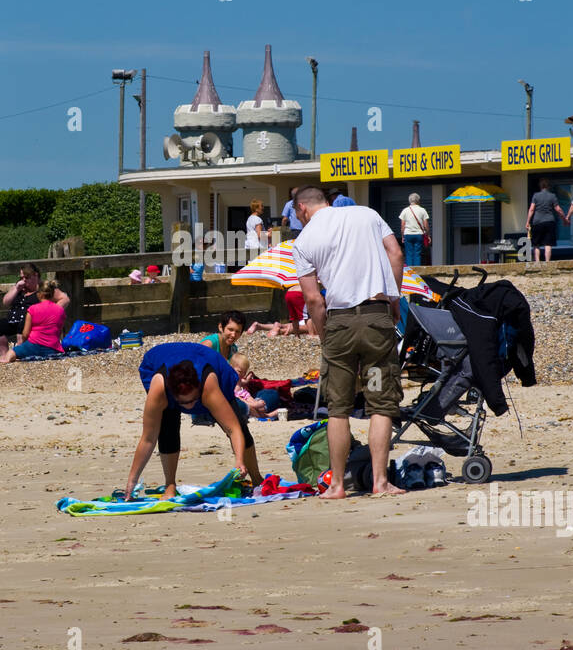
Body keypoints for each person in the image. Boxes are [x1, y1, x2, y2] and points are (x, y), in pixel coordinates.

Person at [290, 184, 406, 498]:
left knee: (338, 409)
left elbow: (314, 300)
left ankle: (338, 485)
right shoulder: (367, 215)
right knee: (380, 402)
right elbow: (395, 252)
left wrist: (326, 335)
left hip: (339, 323)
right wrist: (394, 299)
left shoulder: (304, 240)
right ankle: (380, 483)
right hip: (376, 318)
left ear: (302, 209)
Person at [125, 342, 264, 500]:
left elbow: (233, 429)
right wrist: (132, 481)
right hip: (161, 360)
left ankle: (257, 478)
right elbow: (148, 438)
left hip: (207, 362)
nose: (190, 406)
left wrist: (239, 461)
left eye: (193, 400)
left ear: (198, 390)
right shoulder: (160, 389)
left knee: (239, 424)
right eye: (184, 403)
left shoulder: (208, 385)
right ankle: (170, 485)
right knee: (167, 427)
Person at [0, 280, 69, 362]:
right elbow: (59, 331)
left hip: (33, 345)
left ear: (39, 294)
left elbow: (25, 333)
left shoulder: (32, 309)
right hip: (53, 348)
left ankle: (5, 361)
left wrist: (24, 345)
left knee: (11, 352)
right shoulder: (60, 310)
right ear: (52, 295)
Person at [0, 263, 52, 357]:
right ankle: (5, 354)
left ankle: (19, 353)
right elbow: (6, 302)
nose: (23, 280)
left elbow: (61, 300)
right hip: (13, 320)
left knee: (23, 323)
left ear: (35, 275)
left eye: (26, 277)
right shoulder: (19, 288)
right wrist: (16, 289)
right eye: (22, 277)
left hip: (31, 322)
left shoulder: (43, 289)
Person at [229, 353, 287, 419]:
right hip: (237, 396)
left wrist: (247, 379)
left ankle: (260, 409)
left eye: (244, 372)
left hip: (244, 393)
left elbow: (242, 382)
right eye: (240, 371)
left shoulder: (238, 378)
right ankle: (267, 415)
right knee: (251, 404)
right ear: (230, 367)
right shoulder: (229, 377)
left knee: (254, 401)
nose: (242, 374)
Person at [525, 178, 569, 263]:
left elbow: (531, 209)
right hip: (549, 221)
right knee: (548, 244)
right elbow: (558, 209)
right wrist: (564, 219)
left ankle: (537, 261)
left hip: (537, 222)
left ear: (540, 186)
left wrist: (527, 222)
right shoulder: (552, 196)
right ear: (548, 186)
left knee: (536, 244)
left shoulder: (536, 195)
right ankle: (547, 261)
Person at [399, 193, 430, 267]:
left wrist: (402, 236)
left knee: (409, 253)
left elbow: (402, 225)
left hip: (408, 234)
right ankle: (417, 271)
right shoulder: (422, 210)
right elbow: (426, 224)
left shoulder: (405, 210)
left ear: (409, 201)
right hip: (419, 234)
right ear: (418, 200)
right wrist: (428, 235)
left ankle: (409, 271)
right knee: (417, 253)